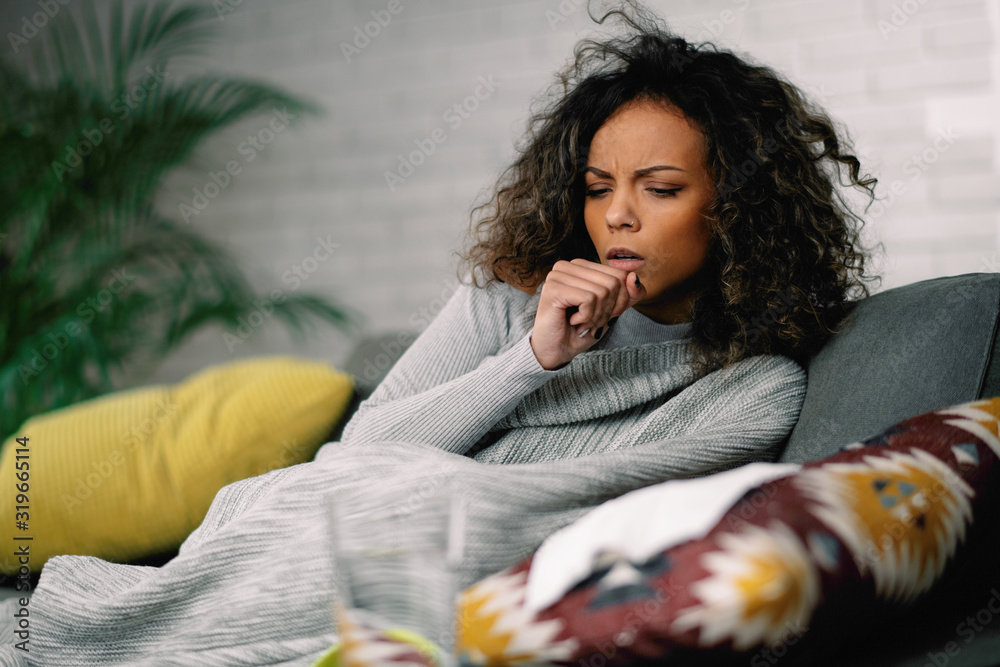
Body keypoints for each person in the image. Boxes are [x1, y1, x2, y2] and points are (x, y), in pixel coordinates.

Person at [3, 5, 877, 666]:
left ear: (734, 205)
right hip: (316, 523)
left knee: (410, 518)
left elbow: (575, 508)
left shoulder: (754, 384)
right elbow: (360, 450)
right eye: (597, 184)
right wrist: (529, 359)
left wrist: (427, 504)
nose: (615, 215)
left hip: (444, 555)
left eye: (657, 188)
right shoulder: (507, 301)